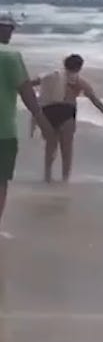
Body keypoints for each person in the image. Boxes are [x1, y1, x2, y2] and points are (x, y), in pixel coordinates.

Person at [0, 14, 55, 232]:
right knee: (1, 181)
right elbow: (27, 95)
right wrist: (44, 124)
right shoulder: (11, 57)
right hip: (3, 132)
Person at [31, 54, 103, 183]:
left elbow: (29, 84)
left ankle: (47, 176)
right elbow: (94, 99)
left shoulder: (51, 76)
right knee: (67, 148)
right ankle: (65, 178)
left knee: (51, 145)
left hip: (48, 112)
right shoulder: (78, 81)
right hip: (66, 112)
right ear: (79, 67)